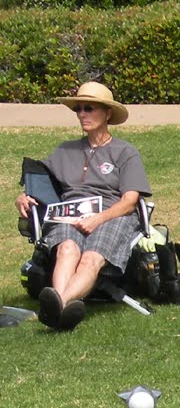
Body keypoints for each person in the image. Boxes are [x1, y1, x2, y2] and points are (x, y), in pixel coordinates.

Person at [14, 81, 151, 331]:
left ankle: (58, 304)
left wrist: (97, 219)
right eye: (79, 109)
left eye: (89, 108)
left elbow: (130, 201)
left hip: (113, 215)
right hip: (70, 214)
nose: (82, 114)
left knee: (90, 259)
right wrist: (24, 197)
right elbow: (41, 184)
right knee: (66, 250)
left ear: (107, 113)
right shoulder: (65, 150)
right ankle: (63, 311)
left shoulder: (125, 152)